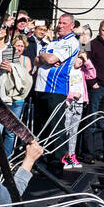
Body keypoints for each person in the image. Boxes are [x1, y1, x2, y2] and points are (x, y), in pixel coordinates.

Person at [32, 12, 81, 173]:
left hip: (55, 89)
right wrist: (43, 56)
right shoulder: (53, 42)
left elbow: (51, 60)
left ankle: (56, 164)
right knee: (41, 127)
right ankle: (42, 161)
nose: (60, 26)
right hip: (40, 88)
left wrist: (44, 57)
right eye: (59, 23)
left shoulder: (71, 42)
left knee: (55, 127)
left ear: (71, 26)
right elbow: (37, 59)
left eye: (64, 23)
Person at [83, 19, 104, 162]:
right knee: (91, 119)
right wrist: (92, 82)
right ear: (100, 30)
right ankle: (88, 152)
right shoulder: (92, 44)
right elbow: (85, 63)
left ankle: (98, 150)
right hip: (96, 88)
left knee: (101, 120)